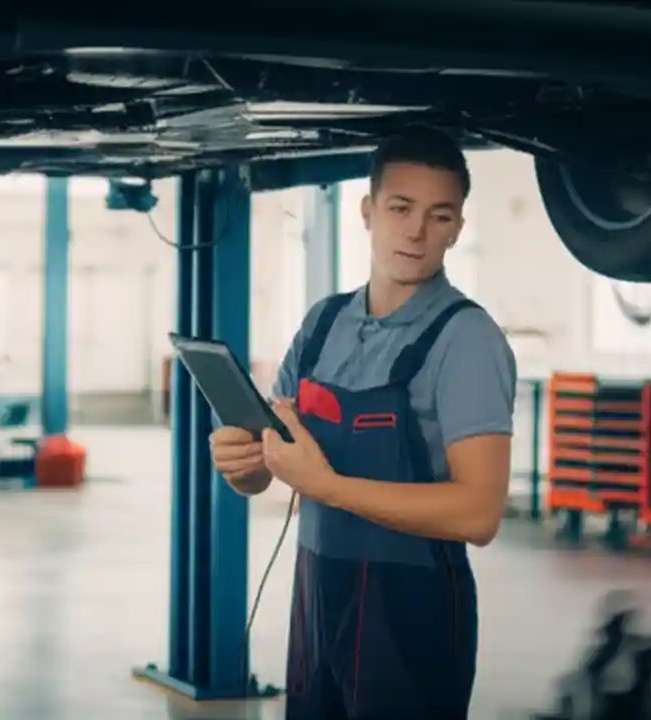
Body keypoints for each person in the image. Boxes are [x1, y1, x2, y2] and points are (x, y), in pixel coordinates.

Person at [210, 126, 517, 719]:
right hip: (318, 592)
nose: (417, 231)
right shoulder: (324, 323)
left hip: (413, 608)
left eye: (439, 215)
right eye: (401, 208)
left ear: (456, 228)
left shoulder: (466, 339)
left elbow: (479, 514)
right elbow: (271, 459)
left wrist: (327, 487)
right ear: (368, 211)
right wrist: (241, 466)